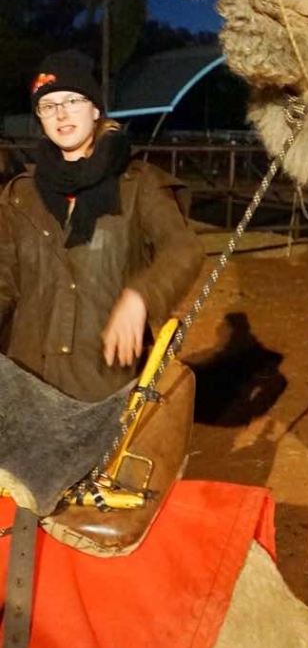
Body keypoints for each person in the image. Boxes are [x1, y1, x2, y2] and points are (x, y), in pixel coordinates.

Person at [0, 50, 204, 403]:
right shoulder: (20, 195)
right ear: (40, 118)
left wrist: (141, 295)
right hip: (26, 380)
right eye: (48, 106)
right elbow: (4, 279)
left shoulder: (139, 184)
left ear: (95, 109)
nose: (60, 113)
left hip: (104, 380)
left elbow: (183, 249)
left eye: (72, 100)